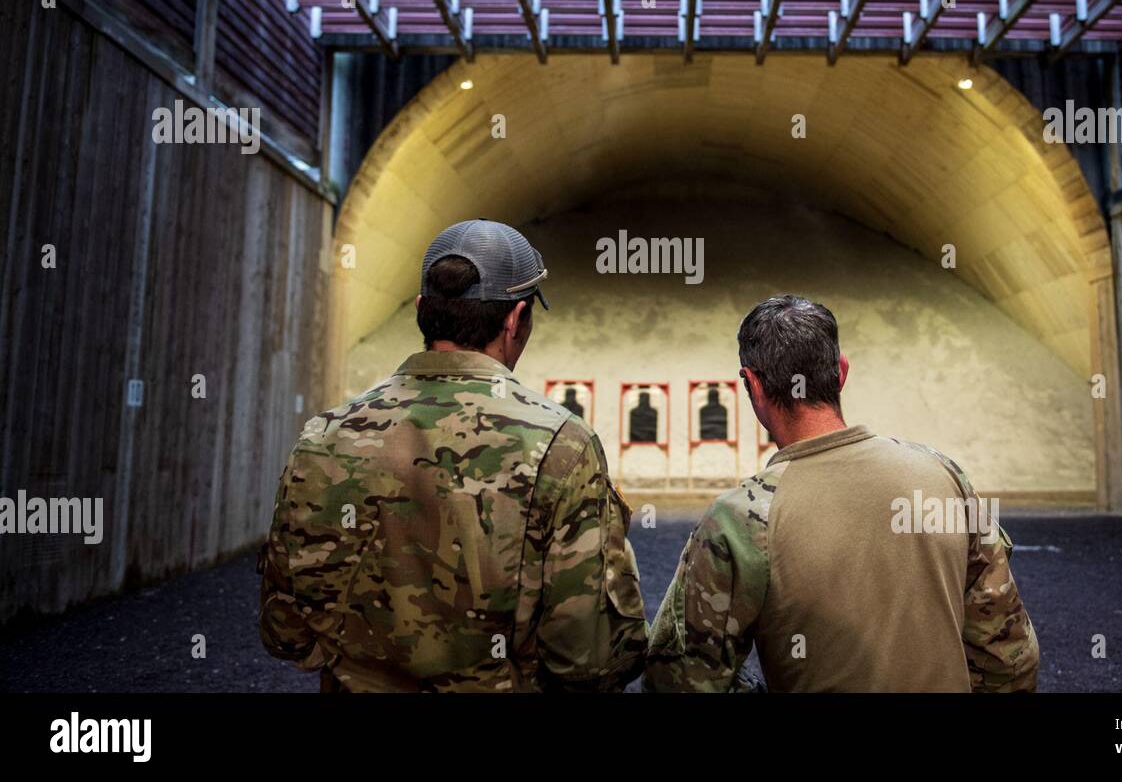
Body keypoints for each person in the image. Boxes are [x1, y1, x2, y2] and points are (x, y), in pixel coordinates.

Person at [258, 219, 648, 691]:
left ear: (422, 309)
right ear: (516, 319)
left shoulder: (324, 436)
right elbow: (588, 660)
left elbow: (286, 631)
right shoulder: (562, 446)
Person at [643, 295, 1039, 692]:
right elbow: (1008, 656)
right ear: (841, 372)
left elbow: (680, 680)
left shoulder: (742, 518)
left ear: (753, 385)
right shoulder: (942, 475)